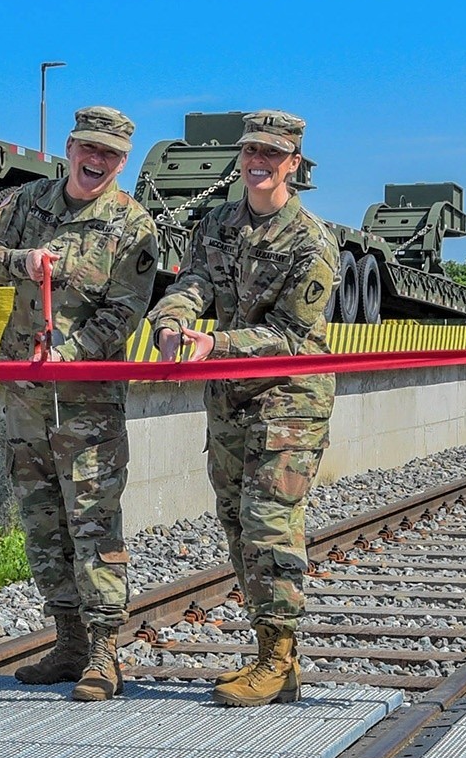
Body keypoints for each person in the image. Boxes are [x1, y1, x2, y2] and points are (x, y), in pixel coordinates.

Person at [145, 110, 339, 707]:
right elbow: (197, 279)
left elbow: (293, 335)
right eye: (252, 150)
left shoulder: (312, 240)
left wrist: (217, 343)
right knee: (235, 522)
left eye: (273, 155)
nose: (260, 161)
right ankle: (272, 655)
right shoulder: (219, 223)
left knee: (270, 526)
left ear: (294, 166)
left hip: (288, 403)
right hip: (230, 400)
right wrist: (173, 314)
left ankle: (277, 659)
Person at [0, 106, 158, 702]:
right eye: (87, 149)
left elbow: (125, 312)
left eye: (108, 154)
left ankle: (104, 651)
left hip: (87, 402)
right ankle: (68, 640)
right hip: (26, 396)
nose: (95, 161)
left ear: (122, 161)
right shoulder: (27, 204)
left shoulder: (134, 227)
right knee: (41, 518)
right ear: (70, 148)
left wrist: (70, 352)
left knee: (93, 520)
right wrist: (18, 260)